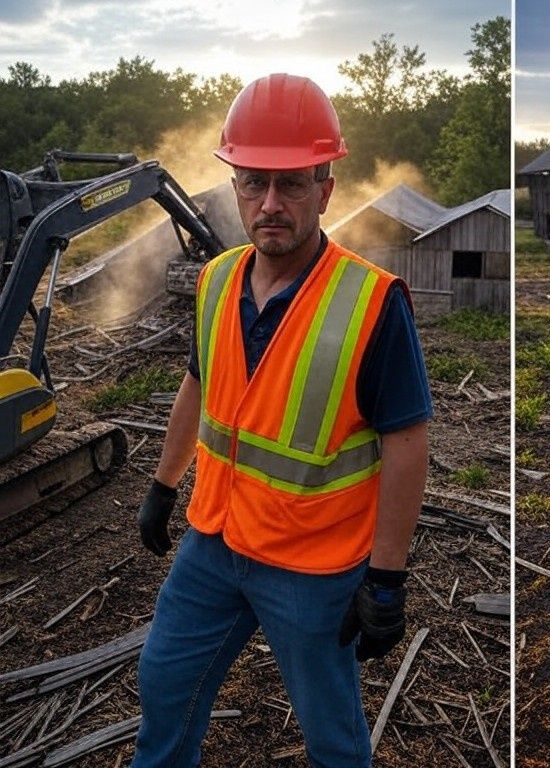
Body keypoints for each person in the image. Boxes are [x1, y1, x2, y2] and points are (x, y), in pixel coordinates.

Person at [132, 73, 432, 768]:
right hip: (213, 541)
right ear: (234, 183)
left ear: (325, 189)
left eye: (292, 184)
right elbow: (196, 385)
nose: (271, 203)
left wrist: (388, 575)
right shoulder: (216, 279)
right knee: (166, 683)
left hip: (312, 565)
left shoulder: (372, 302)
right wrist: (163, 485)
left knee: (330, 733)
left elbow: (407, 442)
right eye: (254, 182)